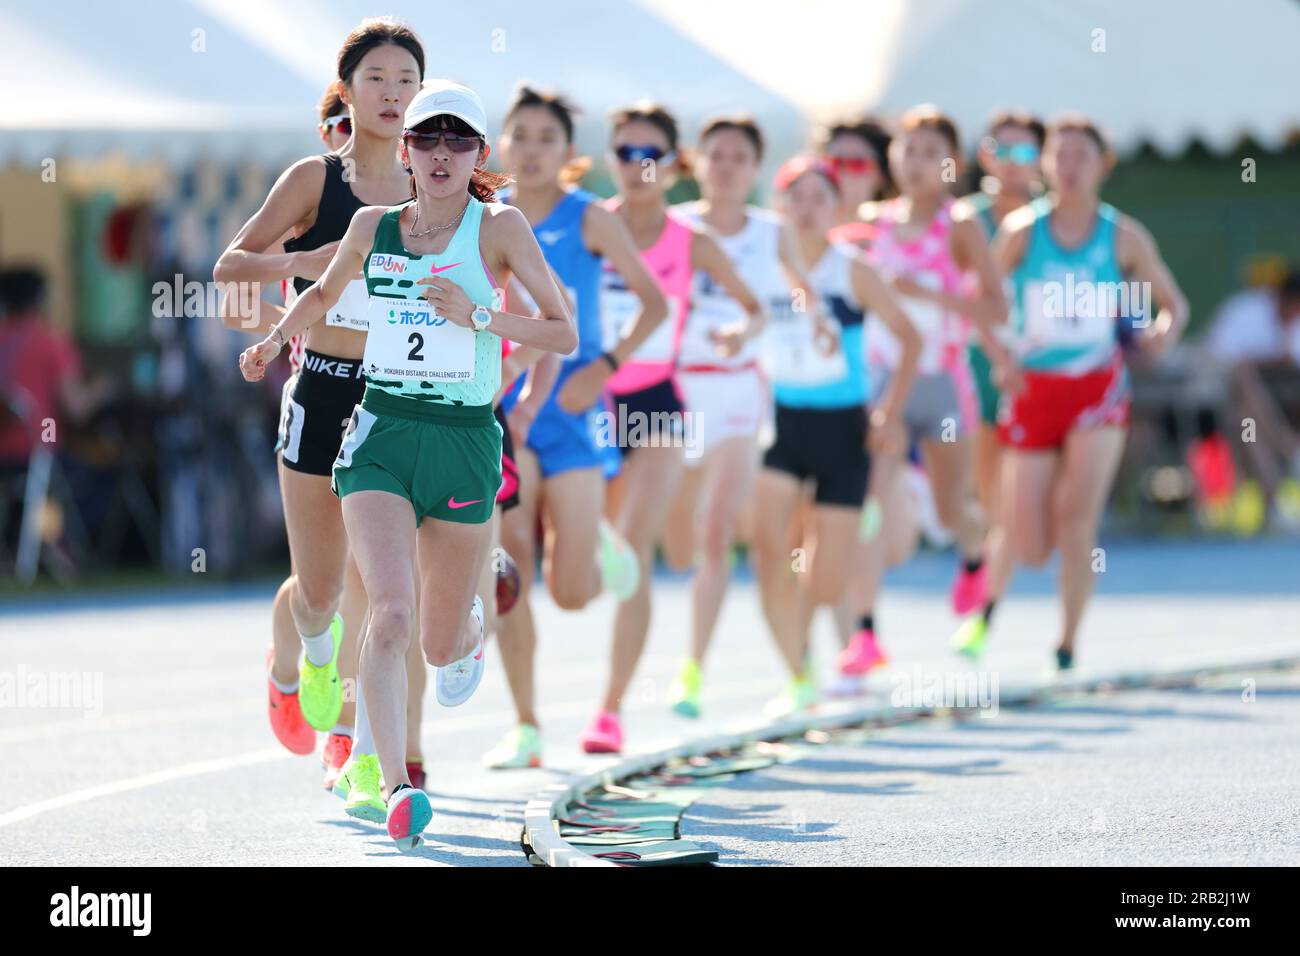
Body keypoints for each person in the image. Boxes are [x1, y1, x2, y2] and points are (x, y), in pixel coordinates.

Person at [239, 79, 577, 849]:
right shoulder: (372, 224)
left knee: (436, 642)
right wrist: (270, 339)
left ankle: (469, 622)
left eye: (459, 141)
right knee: (387, 609)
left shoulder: (499, 228)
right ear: (408, 149)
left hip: (462, 438)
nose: (441, 154)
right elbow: (323, 292)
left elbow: (561, 333)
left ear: (479, 155)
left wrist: (483, 315)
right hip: (383, 431)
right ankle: (391, 783)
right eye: (427, 139)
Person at [214, 19, 425, 788]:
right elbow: (231, 267)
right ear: (348, 90)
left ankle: (361, 746)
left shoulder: (430, 184)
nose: (393, 92)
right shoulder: (316, 179)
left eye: (407, 79)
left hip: (403, 401)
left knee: (385, 592)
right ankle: (297, 653)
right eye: (378, 78)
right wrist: (296, 275)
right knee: (322, 592)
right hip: (323, 393)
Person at [953, 113, 1189, 670]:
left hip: (1097, 390)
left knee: (1076, 516)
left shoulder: (1123, 236)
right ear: (1045, 164)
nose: (1071, 167)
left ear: (1102, 165)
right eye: (1061, 155)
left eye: (1083, 155)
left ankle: (1067, 642)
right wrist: (1002, 357)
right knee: (1025, 534)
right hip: (1034, 390)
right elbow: (977, 303)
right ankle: (987, 610)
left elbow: (1173, 304)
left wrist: (1161, 333)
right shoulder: (1023, 232)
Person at [482, 85, 665, 769]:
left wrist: (608, 366)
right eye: (519, 135)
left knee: (572, 592)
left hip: (578, 407)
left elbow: (654, 303)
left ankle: (600, 543)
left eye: (545, 138)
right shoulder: (480, 218)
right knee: (509, 566)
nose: (530, 150)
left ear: (569, 154)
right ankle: (526, 724)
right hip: (508, 406)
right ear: (501, 144)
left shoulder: (589, 218)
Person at [581, 102, 766, 753]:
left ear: (672, 163)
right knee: (584, 562)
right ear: (611, 161)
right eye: (627, 154)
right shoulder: (586, 224)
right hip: (585, 399)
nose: (639, 167)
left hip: (656, 400)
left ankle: (609, 709)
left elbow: (754, 309)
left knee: (633, 550)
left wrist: (740, 331)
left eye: (651, 155)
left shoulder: (692, 242)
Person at [838, 106, 1007, 682]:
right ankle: (864, 632)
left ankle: (973, 557)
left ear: (951, 164)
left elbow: (996, 308)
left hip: (943, 382)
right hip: (886, 383)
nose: (916, 164)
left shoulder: (959, 225)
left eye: (930, 153)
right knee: (868, 503)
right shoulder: (872, 223)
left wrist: (931, 297)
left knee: (950, 504)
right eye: (907, 152)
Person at [752, 156, 920, 717]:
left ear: (837, 208)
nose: (806, 209)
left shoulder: (852, 269)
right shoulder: (764, 265)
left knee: (823, 581)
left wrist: (888, 414)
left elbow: (910, 338)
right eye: (795, 197)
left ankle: (816, 655)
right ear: (780, 206)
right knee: (766, 543)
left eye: (819, 198)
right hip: (784, 426)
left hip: (845, 432)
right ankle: (798, 674)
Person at [662, 116, 817, 718]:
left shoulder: (771, 232)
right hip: (672, 398)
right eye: (716, 155)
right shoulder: (674, 227)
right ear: (698, 163)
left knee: (717, 533)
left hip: (738, 394)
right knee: (677, 546)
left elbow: (799, 296)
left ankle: (692, 673)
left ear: (755, 169)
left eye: (738, 157)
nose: (726, 165)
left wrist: (769, 323)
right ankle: (799, 665)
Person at [955, 112, 1046, 521]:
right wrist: (998, 357)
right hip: (977, 365)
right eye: (1001, 150)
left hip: (1043, 365)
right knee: (986, 490)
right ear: (984, 156)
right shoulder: (961, 220)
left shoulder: (1057, 220)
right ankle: (990, 577)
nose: (1012, 160)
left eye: (1024, 150)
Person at [1205, 270, 1300, 530]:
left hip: (1277, 410)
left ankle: (1275, 503)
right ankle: (1290, 450)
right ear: (1280, 298)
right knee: (1244, 401)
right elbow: (1221, 358)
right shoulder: (1244, 311)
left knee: (1248, 423)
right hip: (1223, 406)